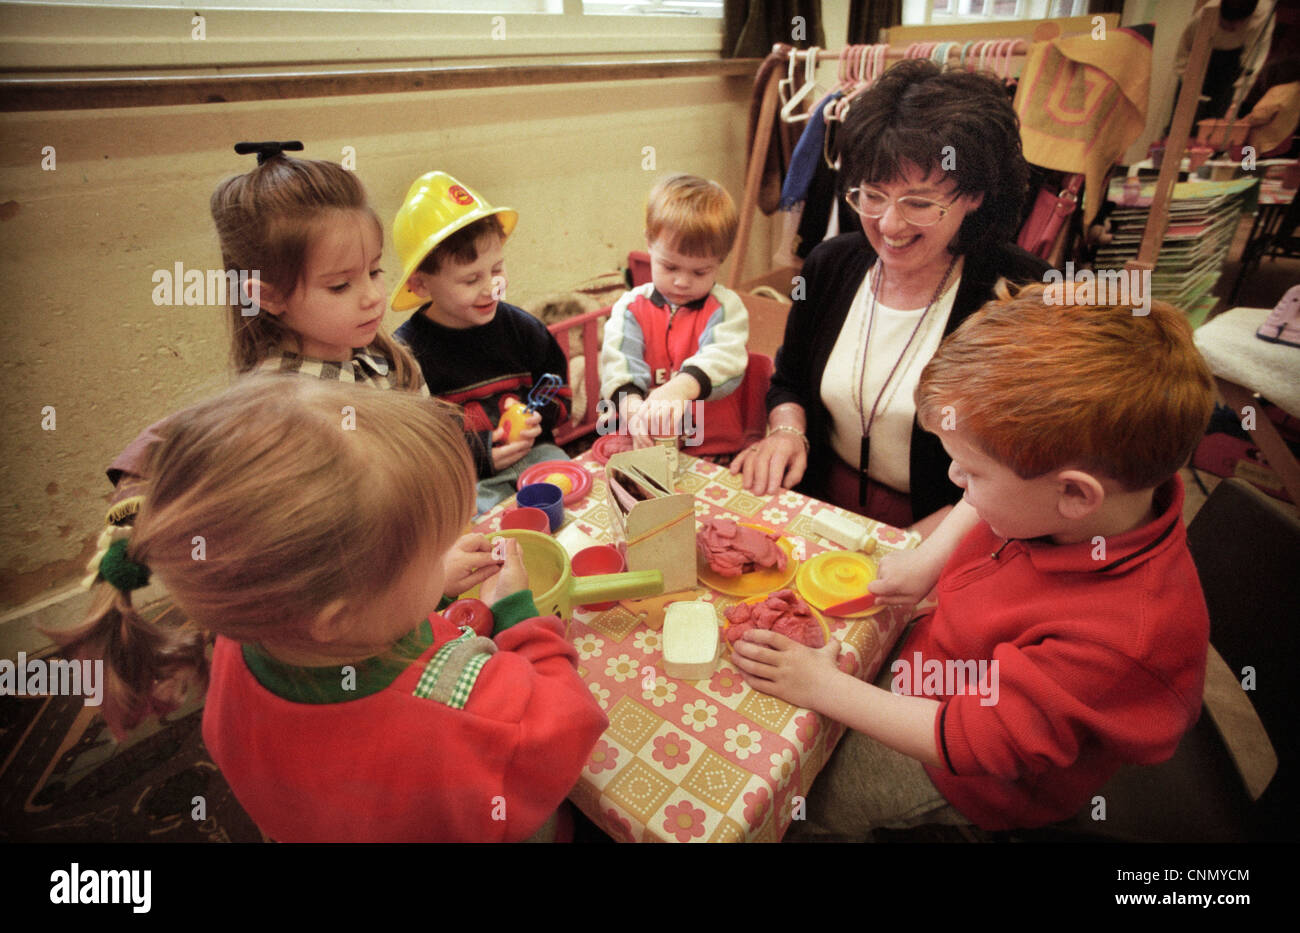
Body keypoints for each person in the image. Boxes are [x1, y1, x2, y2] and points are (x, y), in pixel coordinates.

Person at [731, 283, 1215, 836]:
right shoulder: (1092, 489)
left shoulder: (1120, 639)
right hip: (937, 662)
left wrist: (825, 690)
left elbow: (970, 740)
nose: (956, 481)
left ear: (1076, 496)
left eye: (972, 471)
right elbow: (985, 503)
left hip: (971, 777)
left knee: (806, 800)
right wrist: (926, 561)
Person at [60, 378, 607, 843]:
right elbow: (570, 725)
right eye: (430, 552)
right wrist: (519, 616)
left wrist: (423, 582)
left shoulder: (243, 636)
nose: (446, 552)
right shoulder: (463, 702)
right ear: (337, 617)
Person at [109, 146, 500, 602]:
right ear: (269, 297)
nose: (374, 295)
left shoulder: (381, 357)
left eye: (375, 270)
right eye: (340, 285)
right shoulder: (282, 407)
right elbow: (330, 565)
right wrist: (427, 579)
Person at [730, 60, 1050, 533]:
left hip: (954, 524)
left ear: (976, 194)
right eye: (872, 196)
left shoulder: (1022, 295)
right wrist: (786, 430)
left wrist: (924, 547)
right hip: (821, 503)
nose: (890, 226)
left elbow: (1031, 468)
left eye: (919, 203)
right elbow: (790, 378)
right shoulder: (830, 265)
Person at [390, 171, 573, 515]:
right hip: (466, 477)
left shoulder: (522, 328)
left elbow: (560, 393)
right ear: (421, 285)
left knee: (574, 491)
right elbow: (415, 448)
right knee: (475, 531)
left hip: (537, 454)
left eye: (497, 269)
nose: (492, 288)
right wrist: (479, 453)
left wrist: (539, 417)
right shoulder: (407, 355)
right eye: (471, 279)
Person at [598, 173, 751, 455]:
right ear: (649, 243)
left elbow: (725, 357)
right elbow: (618, 363)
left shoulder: (726, 308)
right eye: (669, 267)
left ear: (720, 260)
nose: (682, 282)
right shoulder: (629, 307)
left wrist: (680, 387)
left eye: (699, 272)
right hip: (644, 444)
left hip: (711, 449)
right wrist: (631, 408)